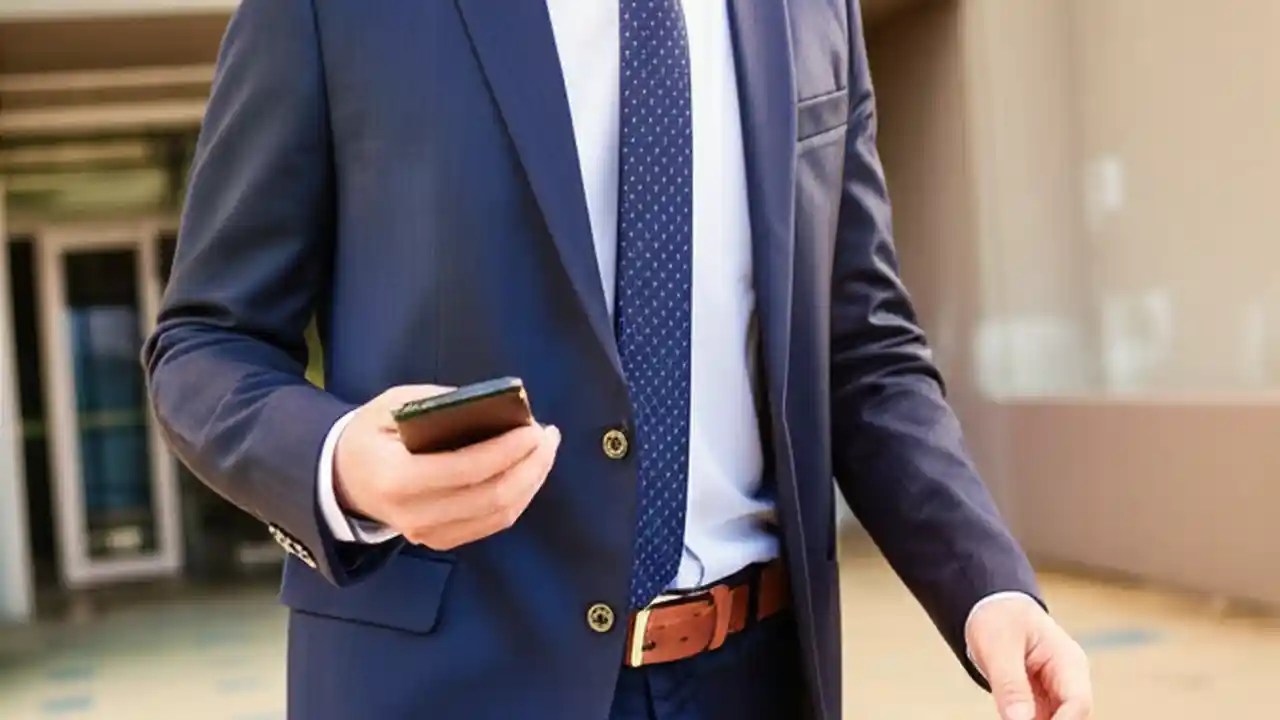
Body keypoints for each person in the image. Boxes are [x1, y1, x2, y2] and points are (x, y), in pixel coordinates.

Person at [144, 1, 1093, 718]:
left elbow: (862, 346)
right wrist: (346, 463)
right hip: (449, 682)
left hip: (754, 676)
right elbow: (203, 345)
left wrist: (986, 587)